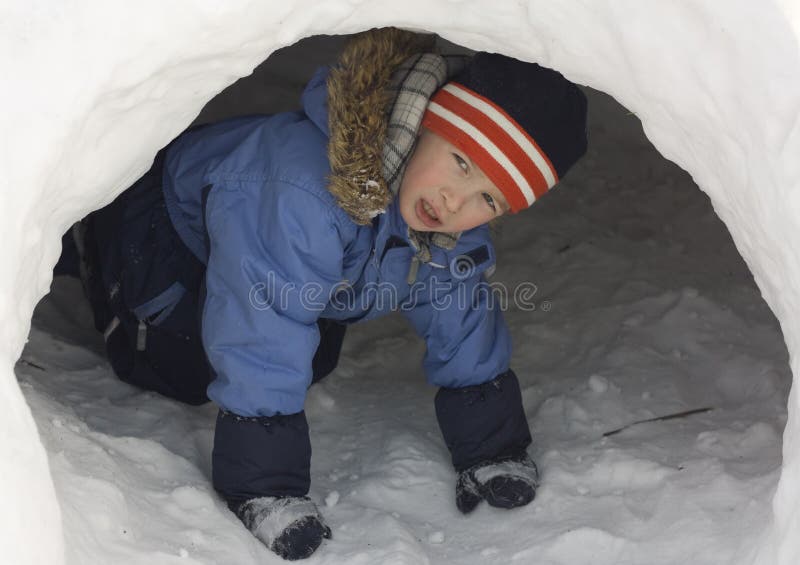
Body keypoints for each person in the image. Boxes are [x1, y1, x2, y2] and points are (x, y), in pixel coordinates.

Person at [77, 28, 588, 560]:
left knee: (314, 356)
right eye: (461, 161)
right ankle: (90, 245)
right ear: (423, 125)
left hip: (279, 245)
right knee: (176, 372)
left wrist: (493, 446)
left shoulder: (441, 214)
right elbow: (263, 322)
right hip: (165, 235)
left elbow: (457, 308)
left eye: (489, 197)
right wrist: (265, 486)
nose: (456, 200)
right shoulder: (303, 192)